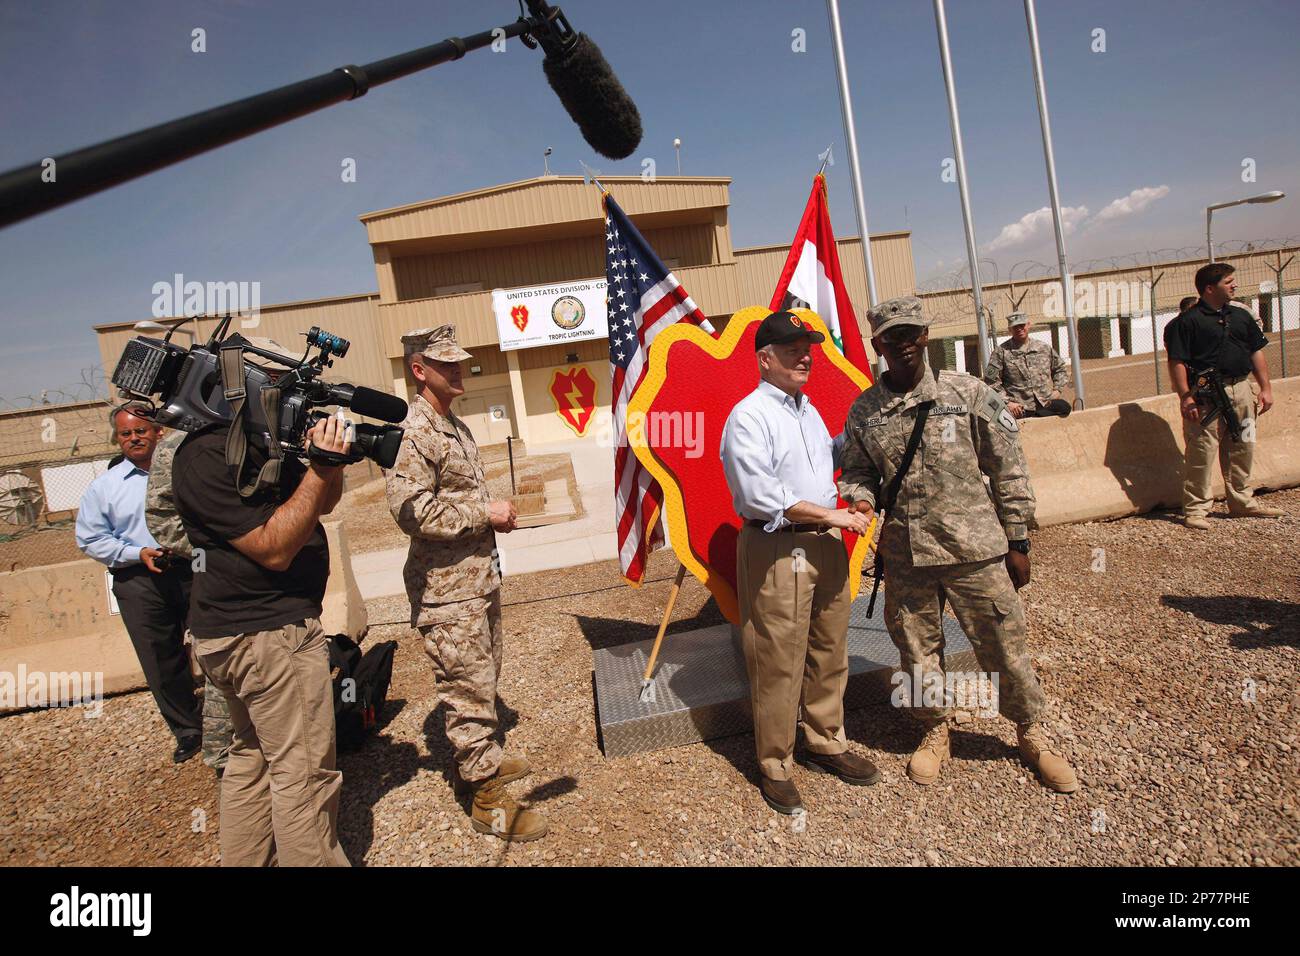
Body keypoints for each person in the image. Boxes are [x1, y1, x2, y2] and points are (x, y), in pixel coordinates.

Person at [838, 296, 1079, 794]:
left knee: (1004, 646)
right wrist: (859, 499)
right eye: (892, 337)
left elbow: (1008, 468)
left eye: (911, 333)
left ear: (926, 336)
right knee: (916, 651)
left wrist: (1018, 539)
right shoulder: (865, 409)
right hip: (906, 554)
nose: (902, 344)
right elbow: (857, 471)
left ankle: (1030, 731)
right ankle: (933, 731)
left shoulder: (968, 393)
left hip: (976, 552)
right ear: (877, 344)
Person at [171, 343, 351, 866]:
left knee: (252, 758)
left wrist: (329, 463)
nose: (283, 398)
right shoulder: (205, 455)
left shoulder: (254, 442)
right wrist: (317, 470)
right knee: (305, 774)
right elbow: (274, 548)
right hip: (266, 637)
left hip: (241, 636)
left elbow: (322, 504)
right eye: (273, 385)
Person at [385, 325, 544, 842]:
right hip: (447, 591)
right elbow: (411, 510)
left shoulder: (451, 424)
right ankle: (484, 795)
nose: (459, 370)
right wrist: (485, 513)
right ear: (418, 369)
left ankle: (487, 760)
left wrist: (489, 514)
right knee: (467, 688)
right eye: (446, 363)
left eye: (459, 362)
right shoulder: (415, 431)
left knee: (484, 676)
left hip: (474, 581)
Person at [719, 310, 880, 815]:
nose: (805, 356)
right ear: (764, 360)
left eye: (806, 347)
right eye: (792, 350)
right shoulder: (748, 416)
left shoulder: (806, 410)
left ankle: (826, 740)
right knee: (778, 659)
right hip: (779, 545)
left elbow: (818, 467)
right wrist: (832, 513)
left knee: (829, 647)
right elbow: (764, 495)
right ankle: (775, 764)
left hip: (825, 542)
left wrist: (852, 475)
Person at [76, 403, 202, 762]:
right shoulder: (105, 487)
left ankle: (233, 719)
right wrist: (136, 553)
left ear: (158, 432)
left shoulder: (184, 471)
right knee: (160, 658)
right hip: (139, 579)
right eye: (126, 434)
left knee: (216, 643)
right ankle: (188, 730)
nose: (134, 438)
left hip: (194, 568)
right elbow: (90, 538)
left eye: (140, 431)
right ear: (118, 439)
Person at [1164, 262, 1280, 529]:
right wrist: (1185, 396)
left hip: (1242, 389)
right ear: (1209, 288)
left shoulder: (1241, 316)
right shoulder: (1187, 322)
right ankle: (1196, 510)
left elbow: (1256, 352)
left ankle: (1242, 502)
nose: (1234, 285)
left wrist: (1266, 388)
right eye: (1228, 282)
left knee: (1244, 446)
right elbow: (1177, 362)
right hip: (1207, 396)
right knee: (1201, 452)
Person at [982, 313, 1072, 418]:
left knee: (1065, 408)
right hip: (1019, 408)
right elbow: (990, 382)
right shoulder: (1001, 352)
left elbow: (1060, 369)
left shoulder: (1043, 348)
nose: (1019, 329)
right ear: (1010, 329)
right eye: (1015, 327)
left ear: (1028, 325)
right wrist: (1008, 403)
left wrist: (1057, 390)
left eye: (1022, 325)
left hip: (1045, 403)